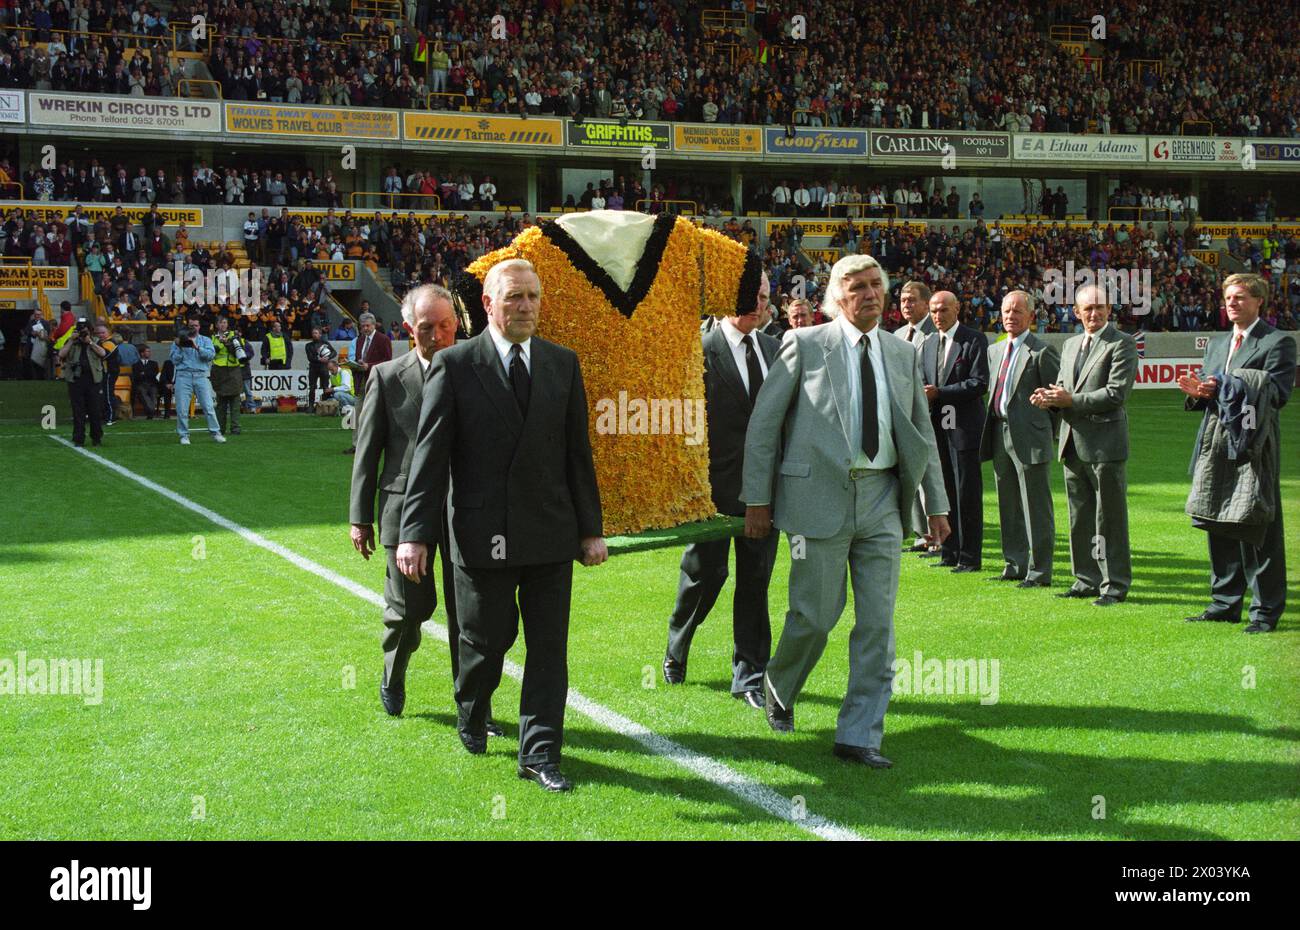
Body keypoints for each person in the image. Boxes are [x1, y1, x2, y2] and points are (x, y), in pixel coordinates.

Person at [396, 259, 606, 792]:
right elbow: (429, 458)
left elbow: (577, 455)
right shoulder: (456, 365)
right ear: (487, 304)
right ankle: (472, 704)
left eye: (533, 296)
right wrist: (414, 533)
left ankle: (540, 754)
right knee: (487, 640)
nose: (526, 306)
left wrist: (590, 529)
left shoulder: (563, 364)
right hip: (481, 533)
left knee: (548, 648)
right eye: (514, 297)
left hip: (549, 533)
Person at [741, 254, 950, 769]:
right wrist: (757, 501)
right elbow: (764, 427)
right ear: (838, 297)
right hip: (816, 503)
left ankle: (859, 733)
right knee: (814, 618)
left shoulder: (902, 354)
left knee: (878, 624)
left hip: (882, 501)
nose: (871, 295)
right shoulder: (805, 344)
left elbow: (921, 435)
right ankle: (779, 685)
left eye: (877, 285)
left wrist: (937, 503)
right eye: (857, 287)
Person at [349, 285, 503, 727]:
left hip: (465, 510)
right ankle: (392, 675)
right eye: (425, 328)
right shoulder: (385, 376)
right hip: (404, 511)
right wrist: (360, 518)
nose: (436, 335)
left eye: (444, 325)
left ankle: (474, 707)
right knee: (409, 609)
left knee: (469, 614)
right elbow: (367, 452)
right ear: (407, 329)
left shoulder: (479, 370)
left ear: (456, 323)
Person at [664, 273, 780, 707]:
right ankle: (677, 648)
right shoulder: (699, 349)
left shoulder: (777, 349)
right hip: (711, 493)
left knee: (756, 582)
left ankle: (749, 675)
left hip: (765, 494)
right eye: (751, 295)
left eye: (765, 297)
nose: (759, 304)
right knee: (704, 575)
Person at [1178, 273, 1295, 632]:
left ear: (1259, 301)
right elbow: (1211, 390)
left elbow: (1277, 393)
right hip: (1215, 442)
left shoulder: (1277, 342)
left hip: (1255, 443)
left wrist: (1226, 385)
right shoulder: (1216, 343)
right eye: (1228, 297)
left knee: (1259, 525)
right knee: (1218, 520)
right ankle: (1225, 603)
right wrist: (1199, 392)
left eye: (1240, 297)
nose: (1232, 303)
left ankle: (1264, 612)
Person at [1031, 284, 1137, 606]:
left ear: (1109, 310)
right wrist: (1049, 399)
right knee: (1080, 517)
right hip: (1072, 445)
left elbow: (1116, 394)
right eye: (1087, 309)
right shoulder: (1071, 344)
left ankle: (1114, 584)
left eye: (1099, 307)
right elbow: (1064, 388)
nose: (1094, 313)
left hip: (1105, 446)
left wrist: (1069, 399)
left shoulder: (1122, 343)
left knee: (1109, 520)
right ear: (1075, 313)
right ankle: (1086, 579)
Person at [979, 291, 1060, 587]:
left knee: (1036, 507)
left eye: (1016, 311)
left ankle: (1040, 572)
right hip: (1000, 434)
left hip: (1031, 439)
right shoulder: (995, 350)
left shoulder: (1042, 351)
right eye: (1006, 311)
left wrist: (1045, 433)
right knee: (1008, 504)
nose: (1010, 316)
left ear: (1030, 316)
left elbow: (1055, 402)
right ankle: (1014, 563)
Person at [919, 290, 989, 572]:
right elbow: (922, 379)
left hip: (964, 429)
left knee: (967, 494)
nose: (938, 316)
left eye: (943, 310)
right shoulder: (928, 343)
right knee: (944, 491)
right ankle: (949, 551)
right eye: (934, 311)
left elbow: (979, 383)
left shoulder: (973, 339)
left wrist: (940, 392)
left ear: (957, 309)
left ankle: (970, 557)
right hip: (937, 429)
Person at [893, 281, 939, 554]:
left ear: (926, 303)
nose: (906, 305)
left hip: (929, 415)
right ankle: (921, 534)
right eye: (902, 300)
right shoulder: (897, 334)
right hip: (901, 417)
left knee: (930, 476)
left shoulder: (936, 333)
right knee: (907, 475)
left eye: (912, 300)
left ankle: (935, 534)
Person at [171, 311, 226, 445]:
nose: (193, 328)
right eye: (191, 325)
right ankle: (183, 435)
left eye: (195, 325)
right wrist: (180, 347)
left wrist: (197, 347)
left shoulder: (205, 340)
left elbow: (210, 356)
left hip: (200, 375)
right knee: (182, 408)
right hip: (183, 375)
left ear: (199, 327)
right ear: (187, 326)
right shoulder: (179, 341)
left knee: (208, 406)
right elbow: (174, 360)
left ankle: (216, 432)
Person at [57, 317, 108, 447]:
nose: (82, 332)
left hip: (93, 380)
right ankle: (78, 438)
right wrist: (71, 340)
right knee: (78, 411)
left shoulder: (95, 341)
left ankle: (96, 438)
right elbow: (61, 354)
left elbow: (103, 353)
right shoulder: (72, 341)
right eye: (80, 329)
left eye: (84, 329)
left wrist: (89, 342)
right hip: (75, 380)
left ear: (90, 330)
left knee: (95, 411)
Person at [210, 315, 247, 435]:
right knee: (221, 404)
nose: (222, 325)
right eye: (220, 323)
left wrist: (228, 344)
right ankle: (220, 429)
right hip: (219, 372)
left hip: (233, 371)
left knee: (235, 403)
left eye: (224, 322)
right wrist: (220, 345)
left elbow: (240, 353)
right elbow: (211, 352)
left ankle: (235, 428)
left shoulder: (234, 336)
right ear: (216, 325)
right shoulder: (212, 338)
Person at [304, 326, 335, 412]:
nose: (314, 335)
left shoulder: (325, 343)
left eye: (316, 333)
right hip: (313, 368)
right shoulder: (308, 345)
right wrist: (319, 359)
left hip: (324, 368)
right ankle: (310, 406)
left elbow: (334, 352)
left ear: (320, 334)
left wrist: (328, 357)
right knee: (312, 387)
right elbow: (309, 357)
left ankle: (325, 405)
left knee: (325, 386)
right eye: (313, 333)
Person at [132, 344, 160, 419]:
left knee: (153, 394)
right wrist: (147, 373)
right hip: (141, 384)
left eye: (149, 351)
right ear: (142, 353)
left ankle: (150, 412)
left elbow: (155, 375)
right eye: (147, 351)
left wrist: (144, 373)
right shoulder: (136, 365)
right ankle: (151, 411)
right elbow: (136, 376)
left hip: (152, 384)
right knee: (143, 393)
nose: (149, 353)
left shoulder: (154, 363)